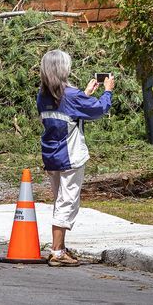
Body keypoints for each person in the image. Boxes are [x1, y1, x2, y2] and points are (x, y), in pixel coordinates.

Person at [37, 50, 115, 267]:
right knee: (67, 202)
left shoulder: (42, 96)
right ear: (64, 69)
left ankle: (60, 247)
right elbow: (99, 110)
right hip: (70, 155)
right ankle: (57, 253)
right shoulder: (71, 95)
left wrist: (86, 94)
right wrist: (107, 91)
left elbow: (68, 112)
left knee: (60, 200)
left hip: (51, 155)